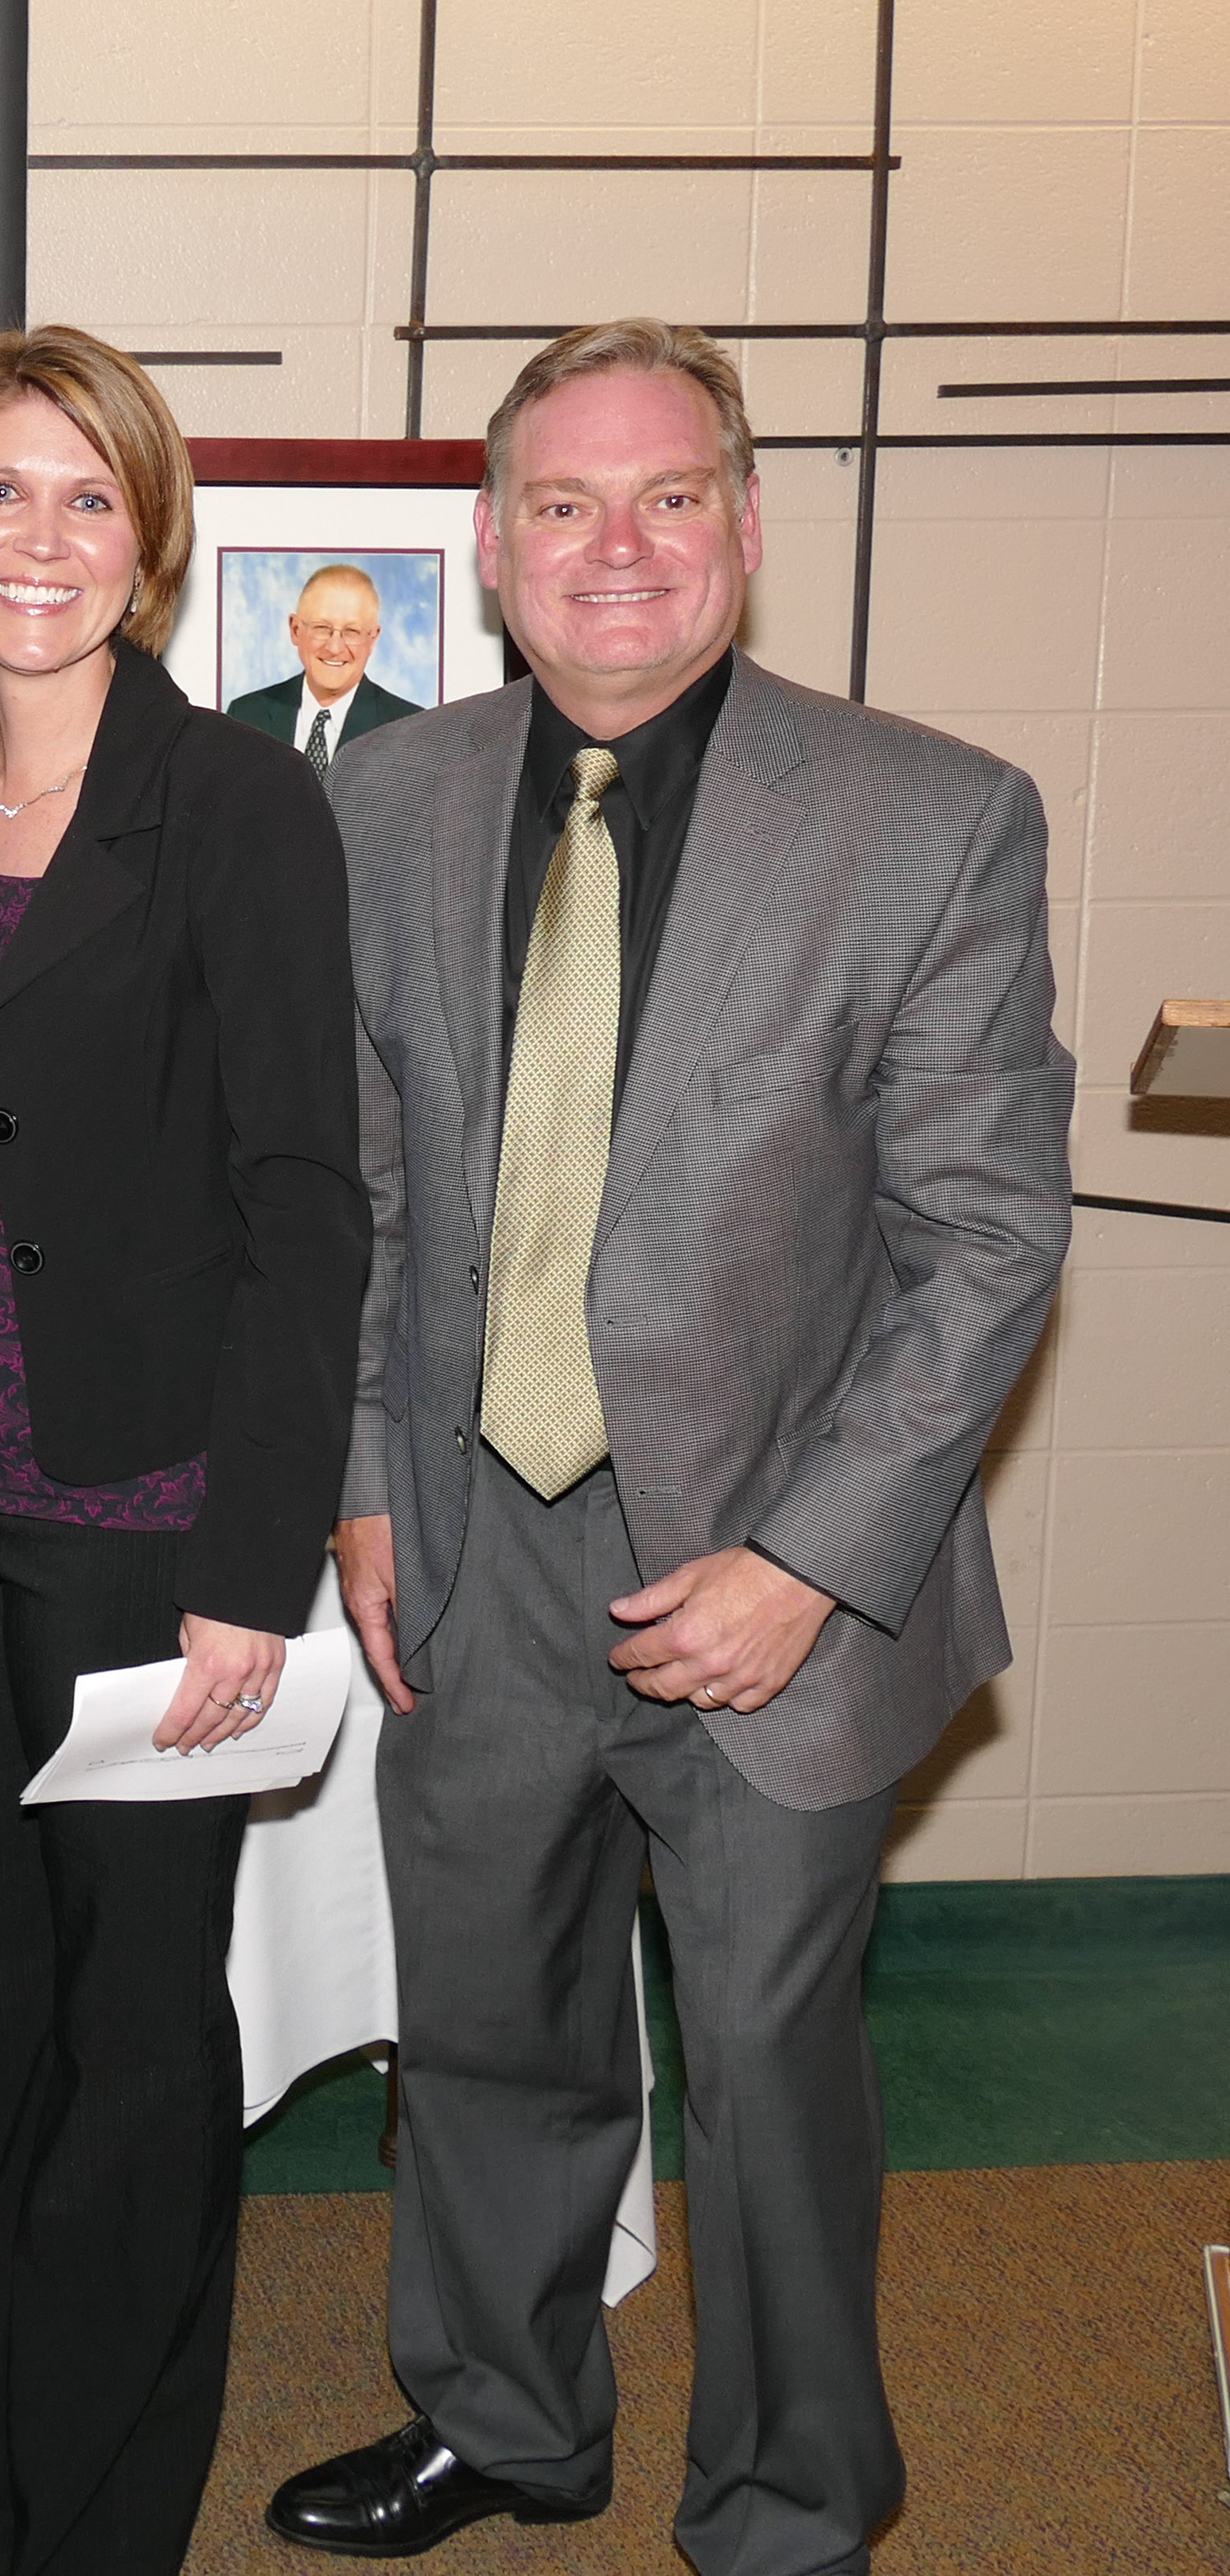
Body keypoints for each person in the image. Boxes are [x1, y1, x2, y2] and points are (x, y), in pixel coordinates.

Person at [265, 321, 1072, 2570]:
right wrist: (355, 1475)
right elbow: (372, 1186)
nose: (614, 550)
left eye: (667, 497)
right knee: (486, 2017)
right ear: (492, 546)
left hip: (766, 1557)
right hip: (468, 1530)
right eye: (559, 505)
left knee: (764, 2061)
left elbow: (985, 1238)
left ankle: (794, 2495)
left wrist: (806, 1557)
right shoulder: (389, 794)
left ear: (739, 519)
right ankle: (504, 2415)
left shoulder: (925, 817)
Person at [0, 329, 368, 2576]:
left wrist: (253, 1565)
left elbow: (300, 1200)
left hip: (140, 1537)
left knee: (134, 2059)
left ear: (144, 541)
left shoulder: (235, 803)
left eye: (81, 497)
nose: (34, 539)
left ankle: (99, 2531)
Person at [225, 564, 416, 777]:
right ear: (295, 629)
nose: (334, 648)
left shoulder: (409, 728)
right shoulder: (246, 716)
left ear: (373, 639)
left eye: (351, 632)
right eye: (322, 628)